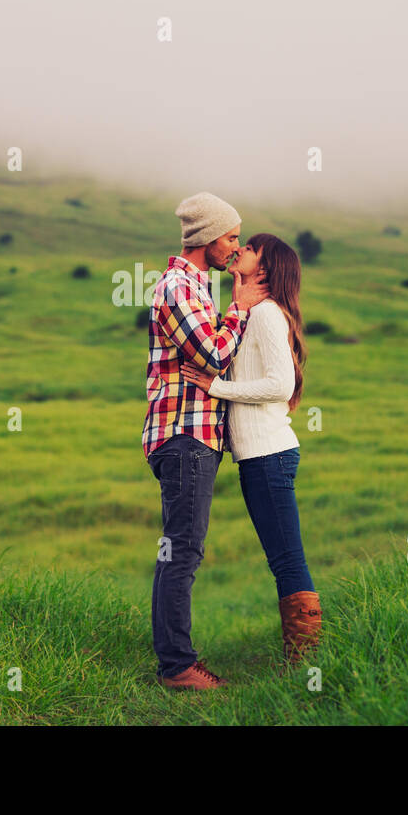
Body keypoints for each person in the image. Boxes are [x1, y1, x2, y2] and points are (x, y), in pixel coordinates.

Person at [143, 192, 268, 690]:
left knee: (179, 549)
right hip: (184, 434)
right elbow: (214, 355)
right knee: (183, 550)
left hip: (194, 436)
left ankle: (174, 660)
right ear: (209, 239)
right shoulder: (177, 288)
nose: (236, 249)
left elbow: (212, 356)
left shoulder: (198, 288)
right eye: (232, 238)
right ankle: (177, 667)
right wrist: (237, 310)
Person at [180, 233, 322, 670]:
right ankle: (302, 660)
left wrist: (216, 386)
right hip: (261, 456)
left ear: (265, 266)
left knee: (285, 558)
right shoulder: (253, 311)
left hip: (269, 455)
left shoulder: (264, 315)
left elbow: (281, 385)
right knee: (282, 556)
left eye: (251, 247)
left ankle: (305, 664)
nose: (239, 249)